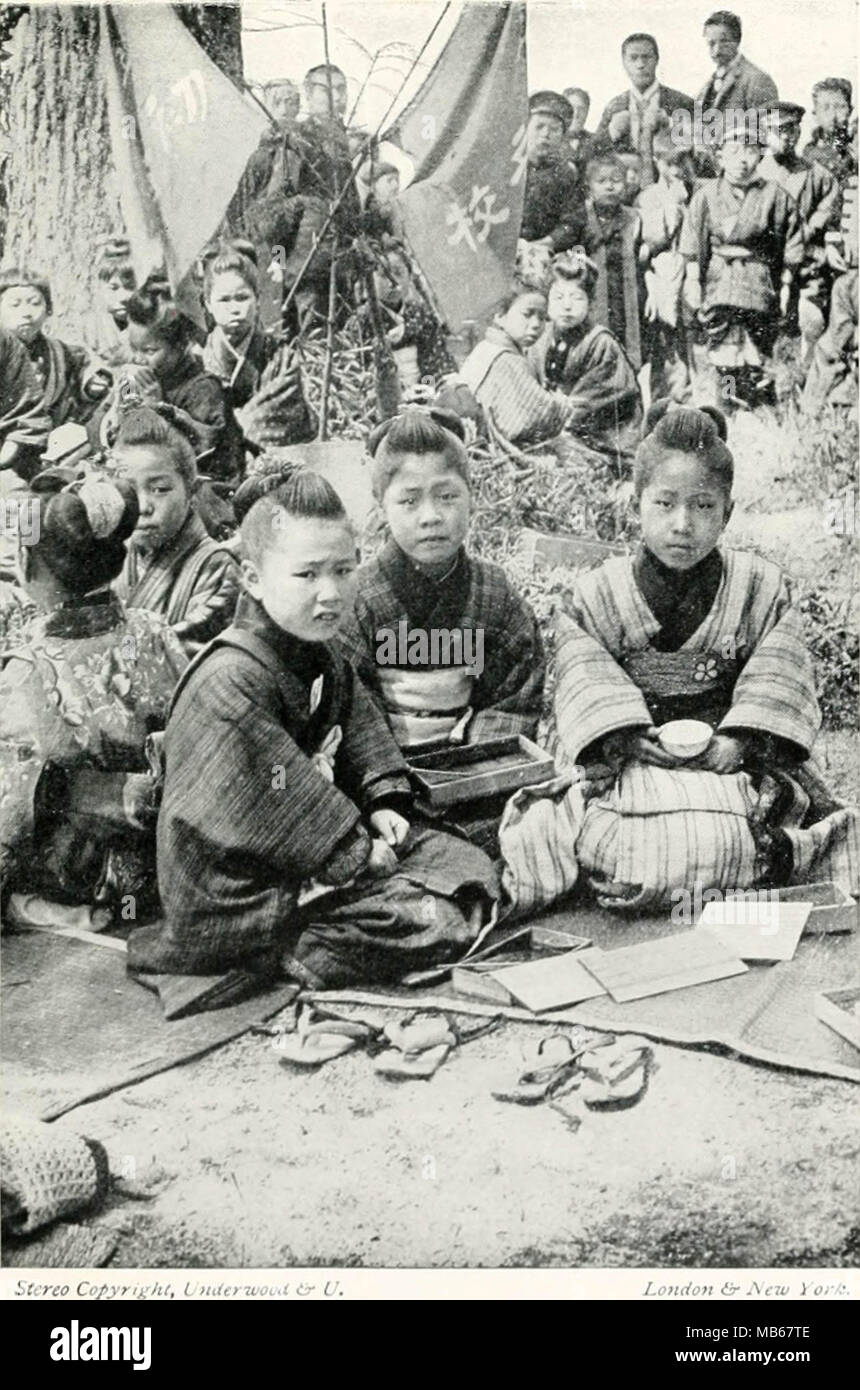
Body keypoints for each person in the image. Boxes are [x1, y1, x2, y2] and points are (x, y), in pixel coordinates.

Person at [126, 470, 498, 989]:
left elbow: (358, 725)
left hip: (304, 856)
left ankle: (347, 929)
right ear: (252, 578)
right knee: (422, 912)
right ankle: (305, 950)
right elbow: (276, 787)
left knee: (463, 860)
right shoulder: (228, 678)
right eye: (307, 575)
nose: (331, 593)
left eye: (344, 570)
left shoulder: (316, 653)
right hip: (238, 888)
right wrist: (355, 851)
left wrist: (381, 800)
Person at [550, 404, 860, 907]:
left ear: (728, 512)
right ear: (636, 505)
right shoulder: (596, 596)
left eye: (703, 507)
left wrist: (739, 740)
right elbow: (585, 676)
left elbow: (778, 676)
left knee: (737, 837)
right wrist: (625, 735)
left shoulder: (761, 587)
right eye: (665, 504)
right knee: (612, 838)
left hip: (733, 762)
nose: (682, 525)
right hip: (634, 758)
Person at [0, 469, 187, 922]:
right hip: (163, 865)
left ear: (25, 567)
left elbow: (12, 814)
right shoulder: (154, 629)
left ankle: (64, 915)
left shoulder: (31, 666)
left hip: (85, 876)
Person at [338, 408, 545, 749]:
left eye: (447, 497)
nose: (431, 517)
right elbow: (354, 709)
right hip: (381, 775)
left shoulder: (494, 593)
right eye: (409, 500)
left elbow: (512, 700)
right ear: (381, 506)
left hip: (469, 766)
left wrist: (478, 760)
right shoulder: (358, 598)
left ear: (471, 497)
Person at [680, 127, 803, 407]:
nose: (742, 160)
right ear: (720, 157)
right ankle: (728, 403)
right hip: (719, 276)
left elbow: (792, 239)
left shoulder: (776, 195)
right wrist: (692, 281)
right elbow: (692, 242)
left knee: (757, 344)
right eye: (734, 152)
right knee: (724, 345)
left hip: (758, 278)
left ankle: (761, 403)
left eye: (750, 151)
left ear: (760, 155)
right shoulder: (706, 195)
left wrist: (785, 283)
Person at [111, 407, 239, 654]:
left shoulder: (218, 567)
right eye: (128, 490)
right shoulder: (112, 556)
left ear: (191, 491)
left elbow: (182, 653)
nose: (143, 507)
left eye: (159, 489)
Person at [246, 63, 362, 333]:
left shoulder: (343, 142)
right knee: (313, 341)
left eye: (342, 89)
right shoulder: (298, 141)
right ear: (309, 97)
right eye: (327, 90)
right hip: (306, 267)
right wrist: (279, 275)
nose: (337, 97)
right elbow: (271, 218)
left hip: (341, 266)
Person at [528, 250, 642, 467]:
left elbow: (588, 407)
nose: (567, 306)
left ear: (590, 302)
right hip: (556, 427)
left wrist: (549, 418)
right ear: (547, 301)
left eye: (577, 297)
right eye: (559, 297)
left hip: (602, 440)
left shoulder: (601, 344)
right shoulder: (540, 337)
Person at [200, 245, 316, 447]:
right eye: (224, 300)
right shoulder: (198, 360)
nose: (234, 308)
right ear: (209, 304)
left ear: (257, 300)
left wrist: (232, 429)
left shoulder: (281, 358)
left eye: (242, 298)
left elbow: (283, 416)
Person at [758, 103, 841, 355]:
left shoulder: (818, 175)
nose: (785, 136)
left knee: (811, 319)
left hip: (806, 261)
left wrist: (806, 232)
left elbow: (827, 208)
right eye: (777, 129)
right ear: (764, 133)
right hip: (764, 262)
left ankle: (807, 378)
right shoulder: (755, 173)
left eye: (791, 129)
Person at [456, 283, 573, 445]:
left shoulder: (487, 347)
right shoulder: (505, 359)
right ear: (500, 317)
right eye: (527, 314)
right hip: (489, 448)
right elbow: (533, 416)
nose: (536, 324)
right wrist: (563, 405)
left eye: (542, 318)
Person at [0, 267, 107, 430]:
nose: (26, 313)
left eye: (35, 303)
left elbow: (87, 374)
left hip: (50, 438)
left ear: (48, 308)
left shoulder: (64, 353)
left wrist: (92, 387)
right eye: (15, 305)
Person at [637, 134, 697, 400]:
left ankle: (693, 395)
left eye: (681, 162)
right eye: (669, 162)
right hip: (662, 271)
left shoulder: (695, 191)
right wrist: (673, 207)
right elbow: (652, 242)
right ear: (657, 162)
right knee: (665, 336)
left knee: (692, 334)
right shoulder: (649, 197)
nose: (676, 169)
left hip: (690, 270)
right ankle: (666, 399)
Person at [594, 33, 694, 187]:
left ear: (657, 60)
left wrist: (671, 125)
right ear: (624, 63)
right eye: (633, 58)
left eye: (646, 57)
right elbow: (595, 154)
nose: (640, 65)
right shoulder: (614, 107)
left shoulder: (681, 103)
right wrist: (612, 132)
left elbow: (704, 151)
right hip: (627, 191)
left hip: (672, 189)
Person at [581, 153, 648, 369]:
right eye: (601, 181)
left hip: (626, 297)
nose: (610, 187)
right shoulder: (581, 217)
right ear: (589, 186)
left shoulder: (634, 218)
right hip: (593, 296)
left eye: (616, 181)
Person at [694, 11, 778, 175]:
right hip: (713, 176)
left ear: (737, 40)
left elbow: (768, 138)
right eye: (711, 44)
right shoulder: (707, 85)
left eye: (724, 42)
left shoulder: (757, 80)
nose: (717, 50)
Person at [520, 92, 585, 260]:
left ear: (563, 137)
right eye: (539, 126)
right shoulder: (508, 165)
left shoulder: (566, 174)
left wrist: (546, 243)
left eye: (554, 129)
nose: (545, 134)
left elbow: (572, 223)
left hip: (545, 254)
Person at [78, 237, 138, 373]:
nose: (124, 297)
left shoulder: (150, 324)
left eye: (130, 287)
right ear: (99, 289)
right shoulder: (91, 328)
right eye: (114, 288)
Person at [802, 79, 855, 190]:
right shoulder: (808, 154)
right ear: (815, 114)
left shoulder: (855, 147)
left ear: (850, 111)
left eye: (840, 107)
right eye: (825, 108)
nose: (832, 116)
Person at [563, 87, 595, 180]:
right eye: (571, 108)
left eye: (581, 109)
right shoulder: (551, 140)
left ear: (587, 112)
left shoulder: (596, 142)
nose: (576, 114)